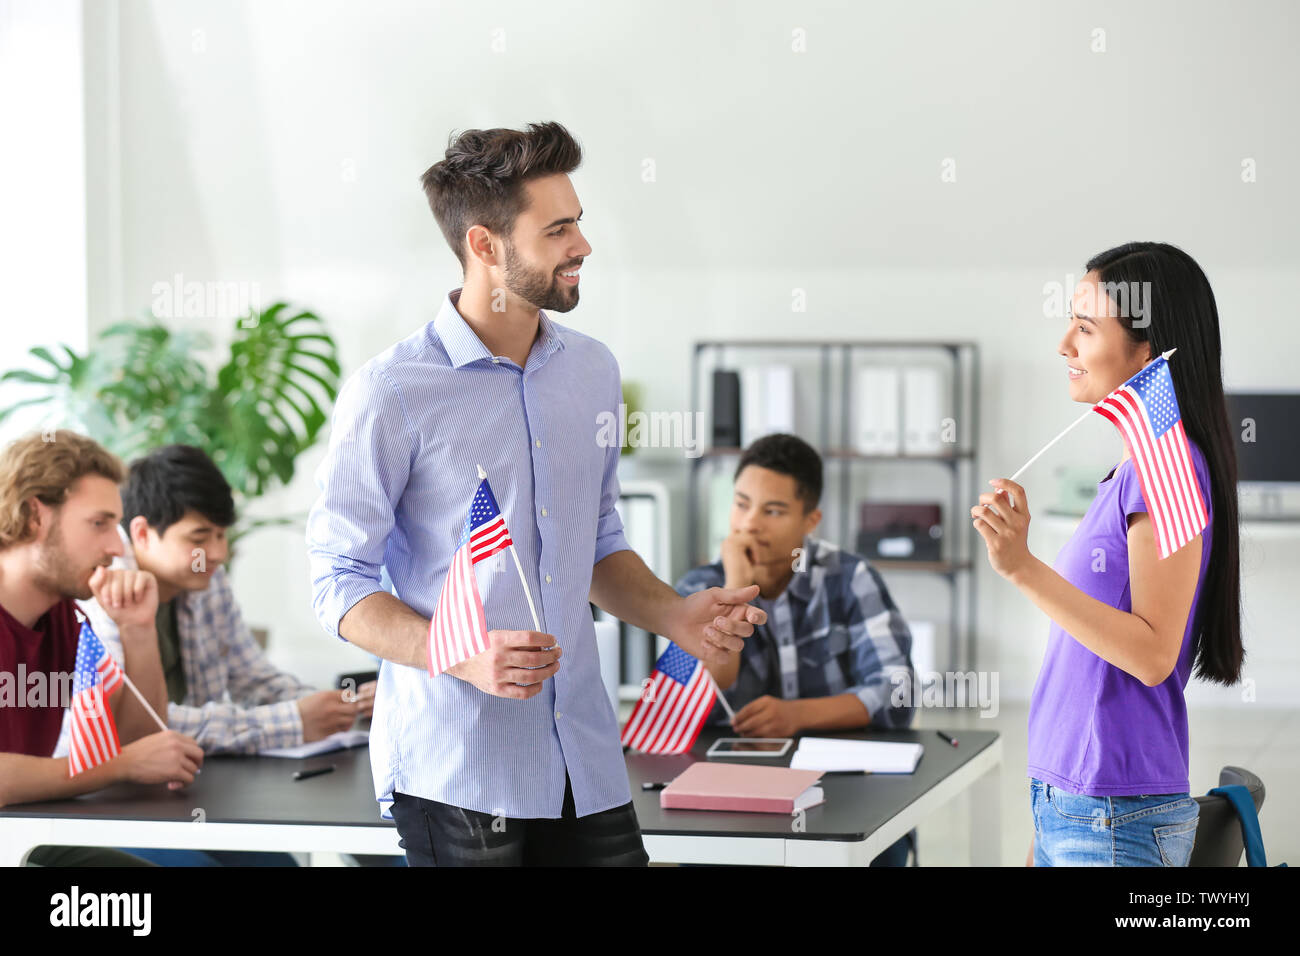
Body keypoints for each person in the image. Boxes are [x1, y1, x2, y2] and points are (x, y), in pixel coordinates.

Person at [306, 121, 767, 867]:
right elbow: (337, 582)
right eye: (558, 230)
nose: (582, 244)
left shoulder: (591, 371)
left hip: (582, 752)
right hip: (459, 768)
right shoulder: (391, 393)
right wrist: (457, 653)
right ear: (485, 247)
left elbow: (595, 540)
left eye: (578, 222)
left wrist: (674, 614)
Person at [972, 242, 1242, 867]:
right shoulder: (1130, 468)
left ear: (1147, 350)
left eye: (1086, 327)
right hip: (1071, 800)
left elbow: (1152, 653)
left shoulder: (1168, 467)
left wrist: (1022, 568)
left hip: (1112, 816)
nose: (1064, 344)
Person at [674, 433, 917, 866]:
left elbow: (896, 692)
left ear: (811, 519)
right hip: (734, 797)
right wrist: (734, 587)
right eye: (742, 503)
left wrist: (796, 716)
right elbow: (699, 696)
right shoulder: (699, 589)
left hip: (844, 790)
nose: (749, 523)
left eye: (773, 510)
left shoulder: (849, 578)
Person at [0, 430, 204, 866]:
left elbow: (140, 741)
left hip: (16, 833)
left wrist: (138, 628)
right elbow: (128, 760)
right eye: (99, 523)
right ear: (36, 515)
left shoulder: (64, 618)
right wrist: (119, 765)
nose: (116, 547)